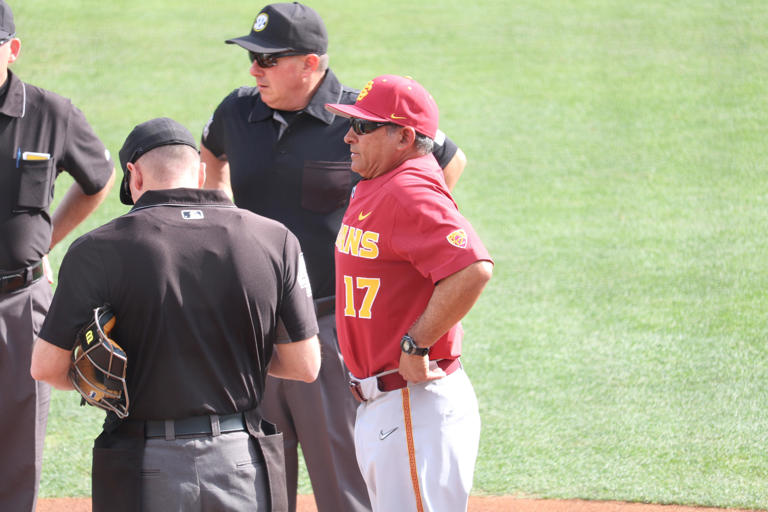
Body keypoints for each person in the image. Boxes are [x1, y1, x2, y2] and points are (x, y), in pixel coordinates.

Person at [200, 4, 467, 510]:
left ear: (310, 63)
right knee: (255, 478)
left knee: (344, 482)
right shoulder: (237, 110)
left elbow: (448, 162)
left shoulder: (361, 119)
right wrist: (219, 212)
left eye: (268, 59)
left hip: (329, 323)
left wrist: (393, 231)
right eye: (252, 58)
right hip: (251, 325)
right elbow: (210, 153)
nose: (254, 69)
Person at [30, 117, 321, 512]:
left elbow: (46, 368)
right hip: (241, 461)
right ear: (201, 172)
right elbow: (305, 365)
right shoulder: (275, 238)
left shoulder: (95, 249)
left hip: (145, 466)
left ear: (134, 176)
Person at [325, 74, 494, 512]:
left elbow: (473, 268)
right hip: (387, 407)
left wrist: (415, 345)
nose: (348, 136)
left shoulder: (408, 190)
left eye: (362, 126)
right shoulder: (378, 183)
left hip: (410, 404)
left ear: (403, 136)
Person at [0, 1, 115, 509]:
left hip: (19, 302)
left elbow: (98, 180)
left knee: (18, 446)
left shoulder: (51, 113)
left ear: (12, 49)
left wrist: (45, 241)